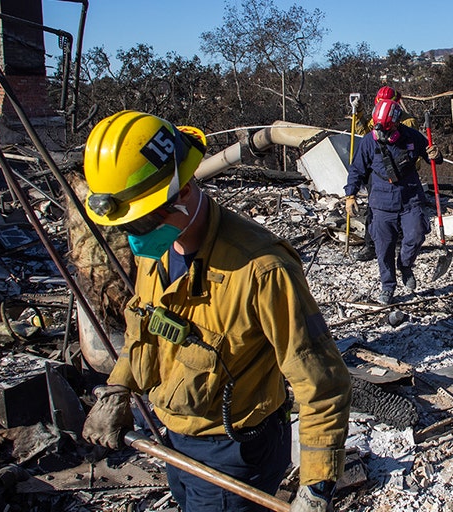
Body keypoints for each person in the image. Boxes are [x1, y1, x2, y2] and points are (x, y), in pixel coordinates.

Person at [79, 110, 351, 512]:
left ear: (184, 191)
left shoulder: (261, 269)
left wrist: (317, 484)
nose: (133, 238)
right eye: (127, 226)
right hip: (175, 438)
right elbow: (145, 331)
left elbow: (322, 384)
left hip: (235, 452)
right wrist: (119, 388)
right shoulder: (155, 252)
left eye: (139, 224)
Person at [344, 99, 442, 305]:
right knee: (383, 247)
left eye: (390, 129)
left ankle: (405, 265)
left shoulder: (411, 136)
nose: (387, 134)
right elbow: (356, 170)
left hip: (410, 197)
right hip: (381, 202)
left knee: (416, 234)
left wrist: (436, 155)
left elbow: (430, 155)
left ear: (397, 122)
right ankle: (388, 286)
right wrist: (350, 195)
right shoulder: (368, 142)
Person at [351, 86, 419, 262]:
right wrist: (357, 113)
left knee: (405, 211)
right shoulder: (378, 117)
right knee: (376, 210)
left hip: (402, 173)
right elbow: (364, 133)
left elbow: (416, 145)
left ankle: (402, 246)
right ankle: (372, 245)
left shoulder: (408, 122)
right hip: (378, 171)